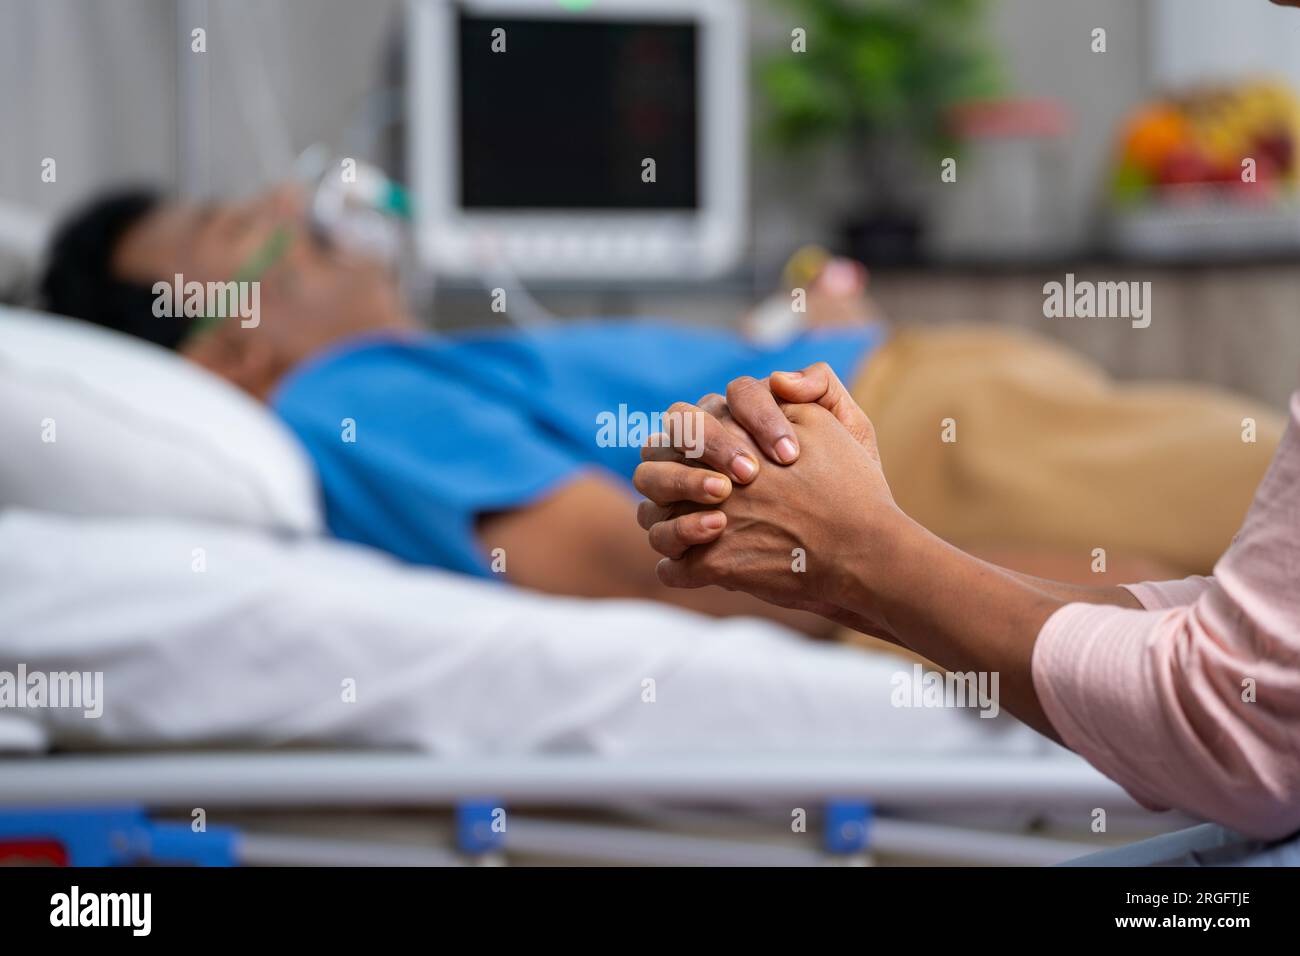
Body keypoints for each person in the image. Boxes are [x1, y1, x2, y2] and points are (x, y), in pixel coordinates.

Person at [38, 186, 1279, 637]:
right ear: (226, 341)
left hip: (944, 413)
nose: (285, 197)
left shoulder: (406, 369)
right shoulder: (345, 401)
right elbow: (613, 566)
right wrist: (1052, 609)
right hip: (941, 456)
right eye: (232, 225)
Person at [634, 348, 1300, 843]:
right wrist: (847, 563)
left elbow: (1241, 710)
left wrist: (858, 549)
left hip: (924, 398)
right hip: (898, 413)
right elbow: (1237, 645)